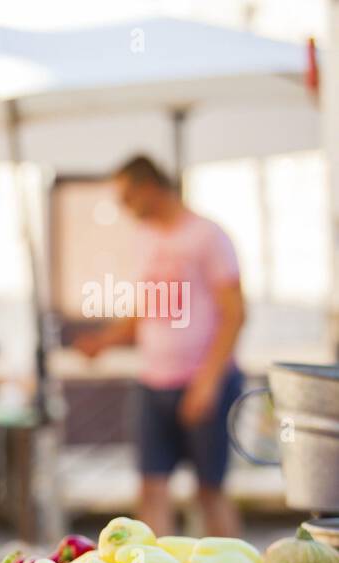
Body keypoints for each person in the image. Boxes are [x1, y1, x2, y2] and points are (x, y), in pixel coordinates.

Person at [75, 155, 246, 538]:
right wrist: (104, 341)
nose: (123, 208)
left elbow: (234, 314)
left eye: (127, 197)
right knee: (151, 488)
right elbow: (148, 310)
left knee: (210, 492)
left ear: (149, 187)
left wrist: (208, 382)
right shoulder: (145, 238)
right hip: (154, 383)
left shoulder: (207, 235)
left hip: (205, 383)